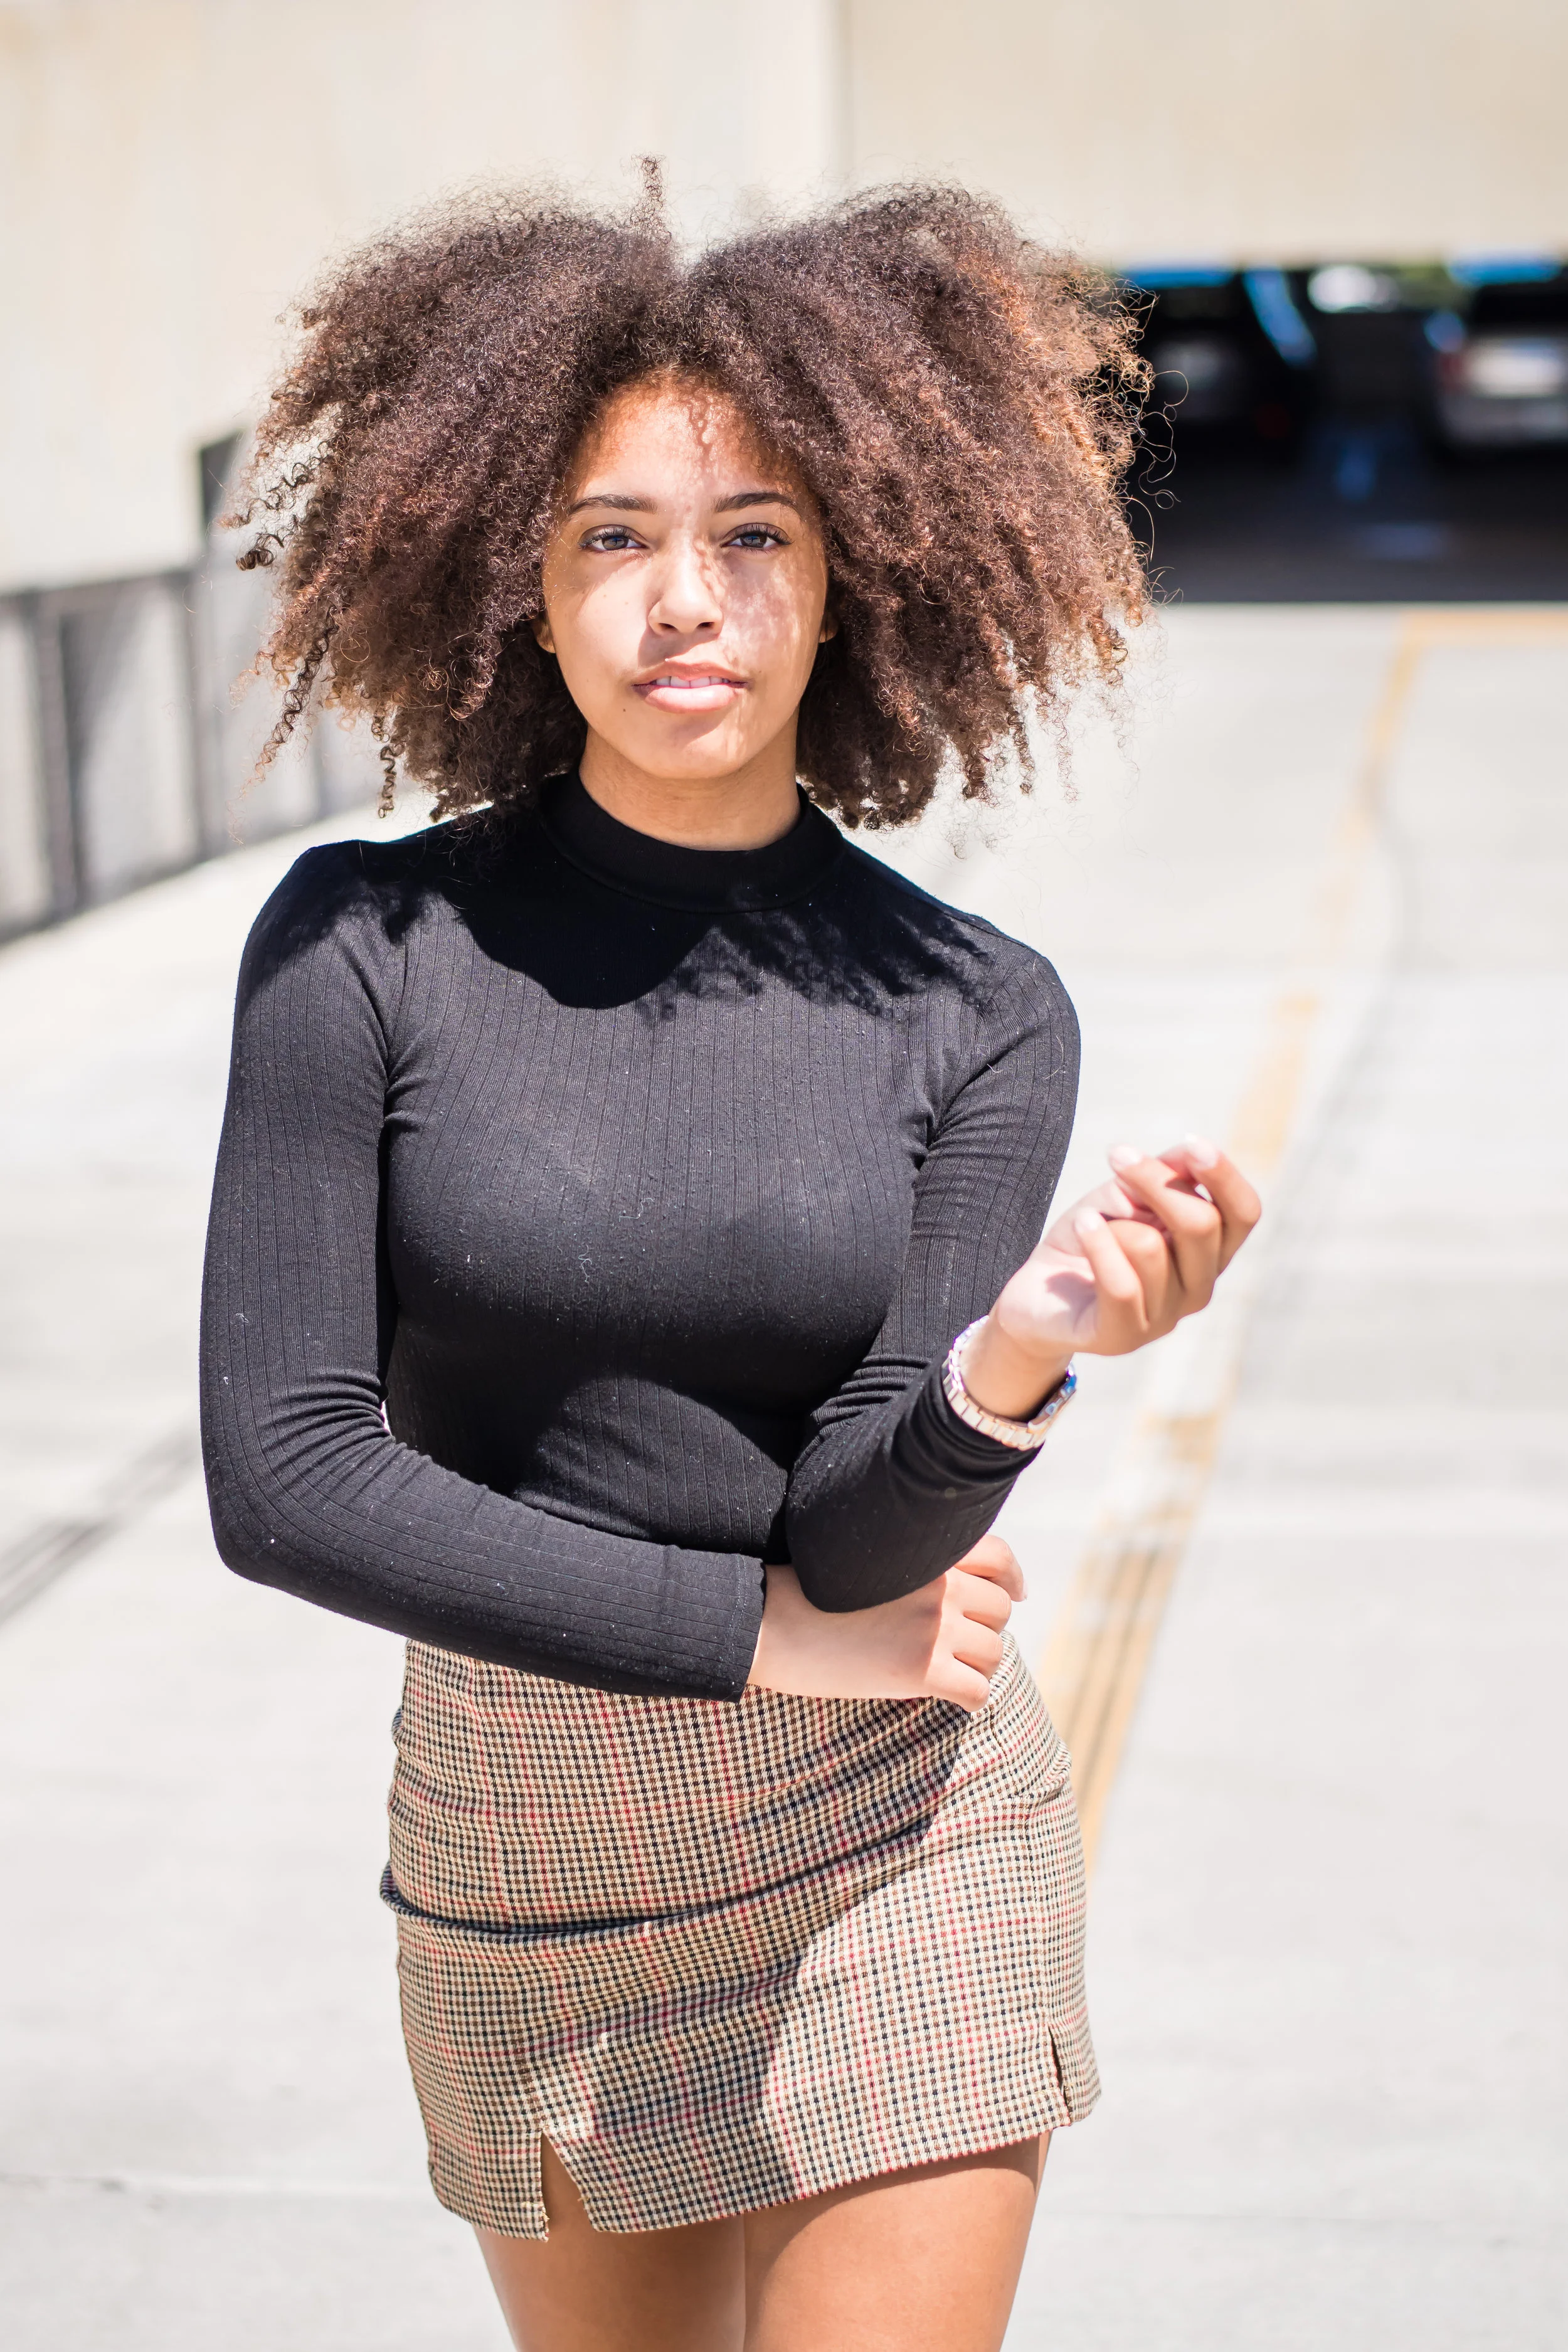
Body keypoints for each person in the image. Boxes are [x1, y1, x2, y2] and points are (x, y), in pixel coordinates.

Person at [200, 177, 1259, 2352]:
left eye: (755, 532)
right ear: (519, 579)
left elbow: (867, 1534)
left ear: (852, 569)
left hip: (898, 1820)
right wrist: (755, 1635)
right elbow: (285, 1472)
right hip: (532, 1822)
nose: (687, 599)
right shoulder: (362, 948)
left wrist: (1013, 1354)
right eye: (613, 534)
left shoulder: (977, 1008)